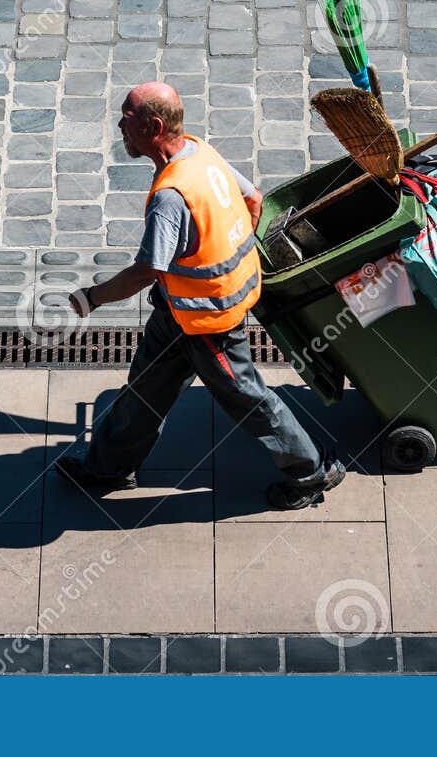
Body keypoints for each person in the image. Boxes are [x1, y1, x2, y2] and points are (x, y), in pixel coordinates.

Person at [49, 81, 346, 510]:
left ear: (153, 126)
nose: (119, 126)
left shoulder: (170, 198)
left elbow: (149, 270)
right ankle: (107, 467)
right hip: (180, 311)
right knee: (145, 390)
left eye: (127, 119)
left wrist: (91, 298)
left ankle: (310, 472)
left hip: (209, 321)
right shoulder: (199, 152)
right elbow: (254, 199)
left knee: (248, 397)